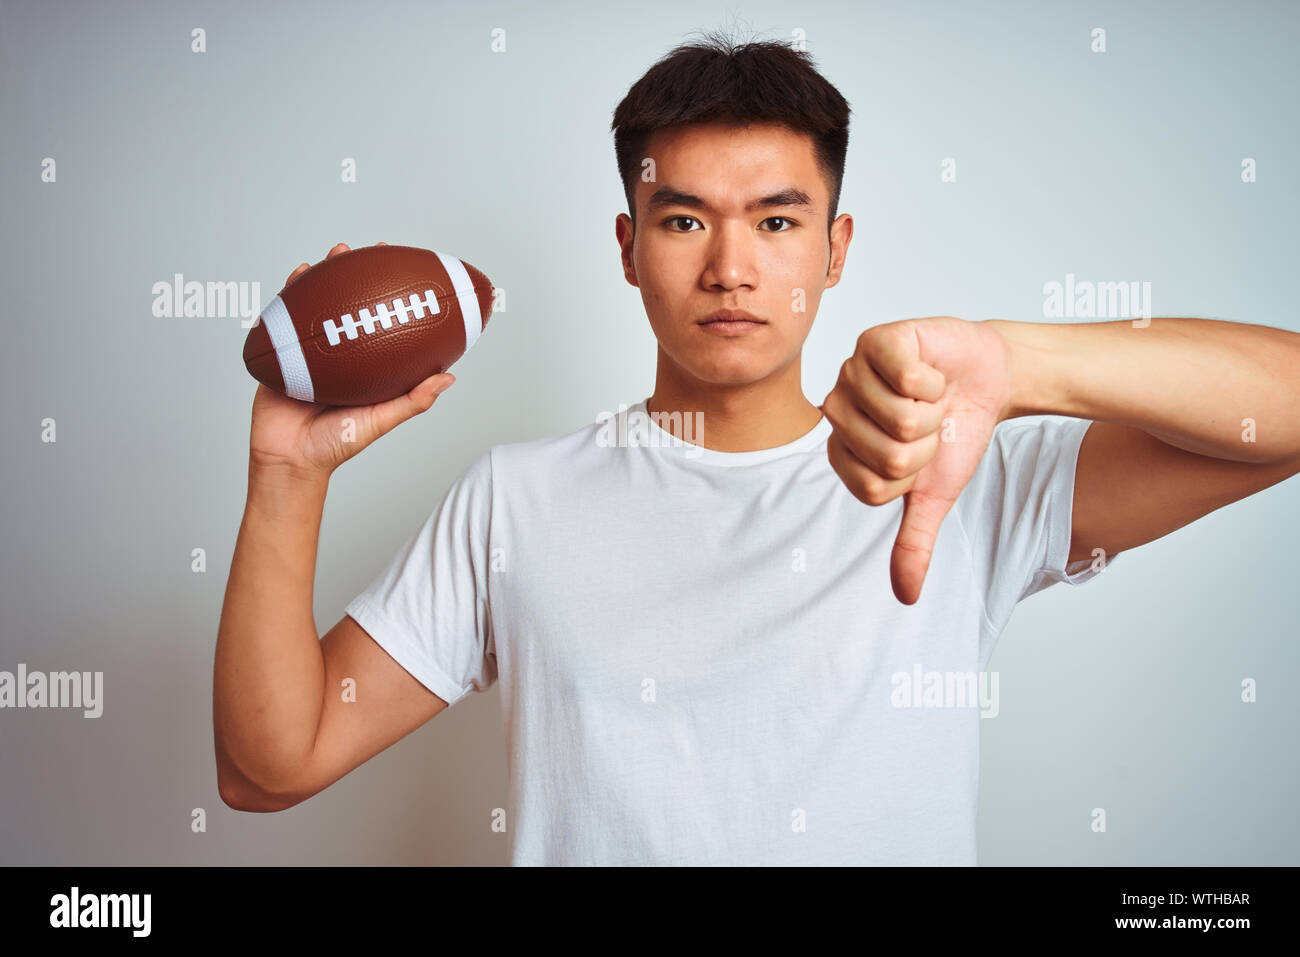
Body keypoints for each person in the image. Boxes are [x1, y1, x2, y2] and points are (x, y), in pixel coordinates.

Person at [214, 33, 1300, 865]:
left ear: (834, 251)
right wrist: (286, 475)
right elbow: (269, 766)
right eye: (684, 220)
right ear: (628, 249)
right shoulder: (515, 501)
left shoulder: (951, 465)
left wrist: (1017, 361)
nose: (731, 266)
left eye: (777, 223)